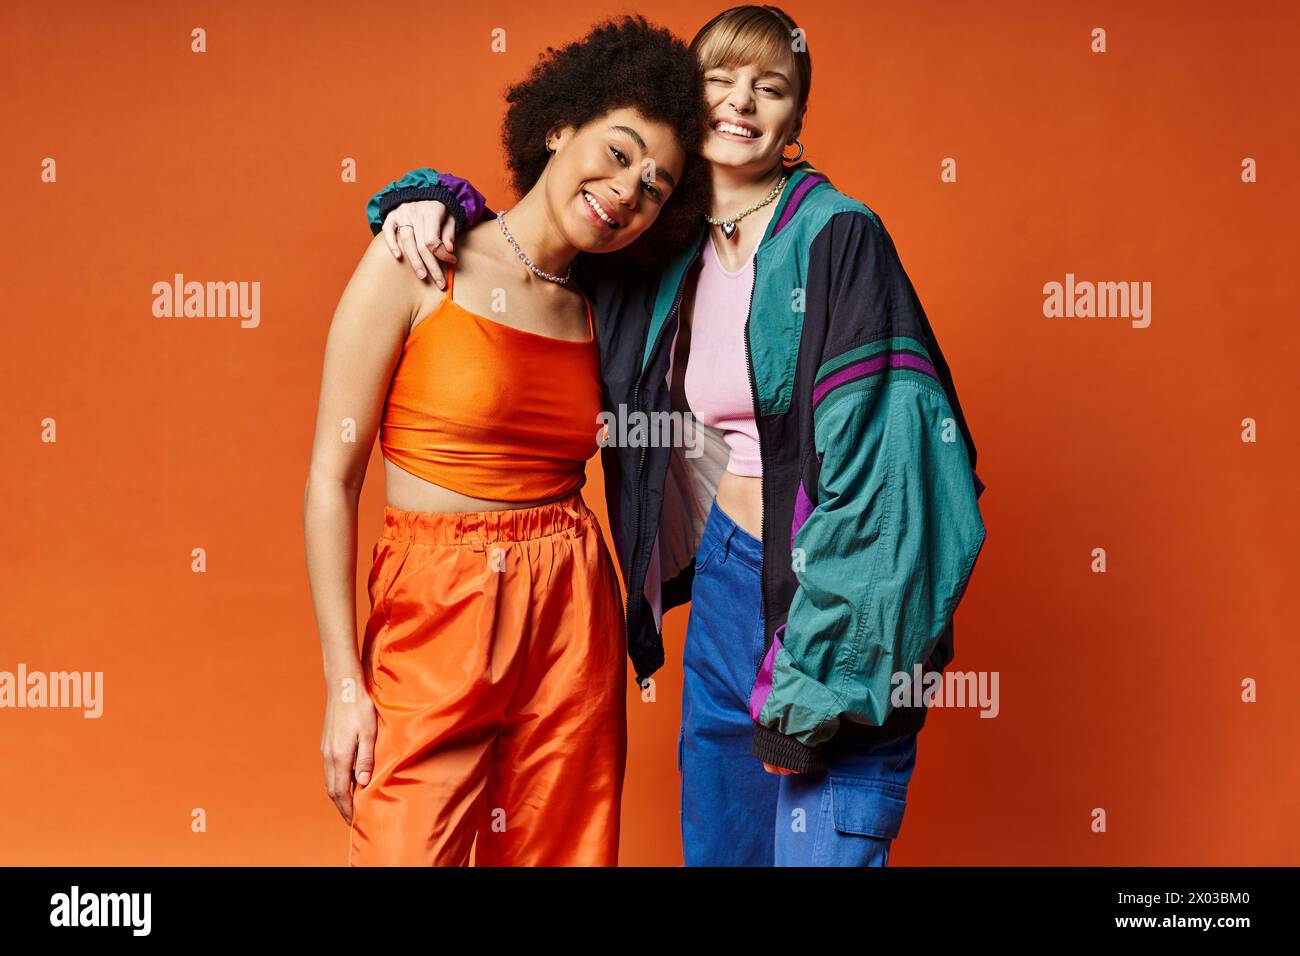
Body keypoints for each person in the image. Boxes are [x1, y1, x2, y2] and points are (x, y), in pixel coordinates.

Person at [364, 4, 987, 867]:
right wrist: (429, 200)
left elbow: (899, 488)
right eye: (719, 81)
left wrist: (818, 677)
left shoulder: (840, 239)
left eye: (770, 87)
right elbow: (534, 242)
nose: (741, 102)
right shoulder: (659, 246)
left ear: (796, 120)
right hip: (732, 590)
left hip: (832, 602)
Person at [303, 14, 708, 866]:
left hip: (570, 607)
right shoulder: (418, 258)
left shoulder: (614, 305)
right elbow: (332, 480)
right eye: (622, 151)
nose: (630, 188)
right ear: (560, 124)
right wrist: (346, 682)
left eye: (658, 186)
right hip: (435, 604)